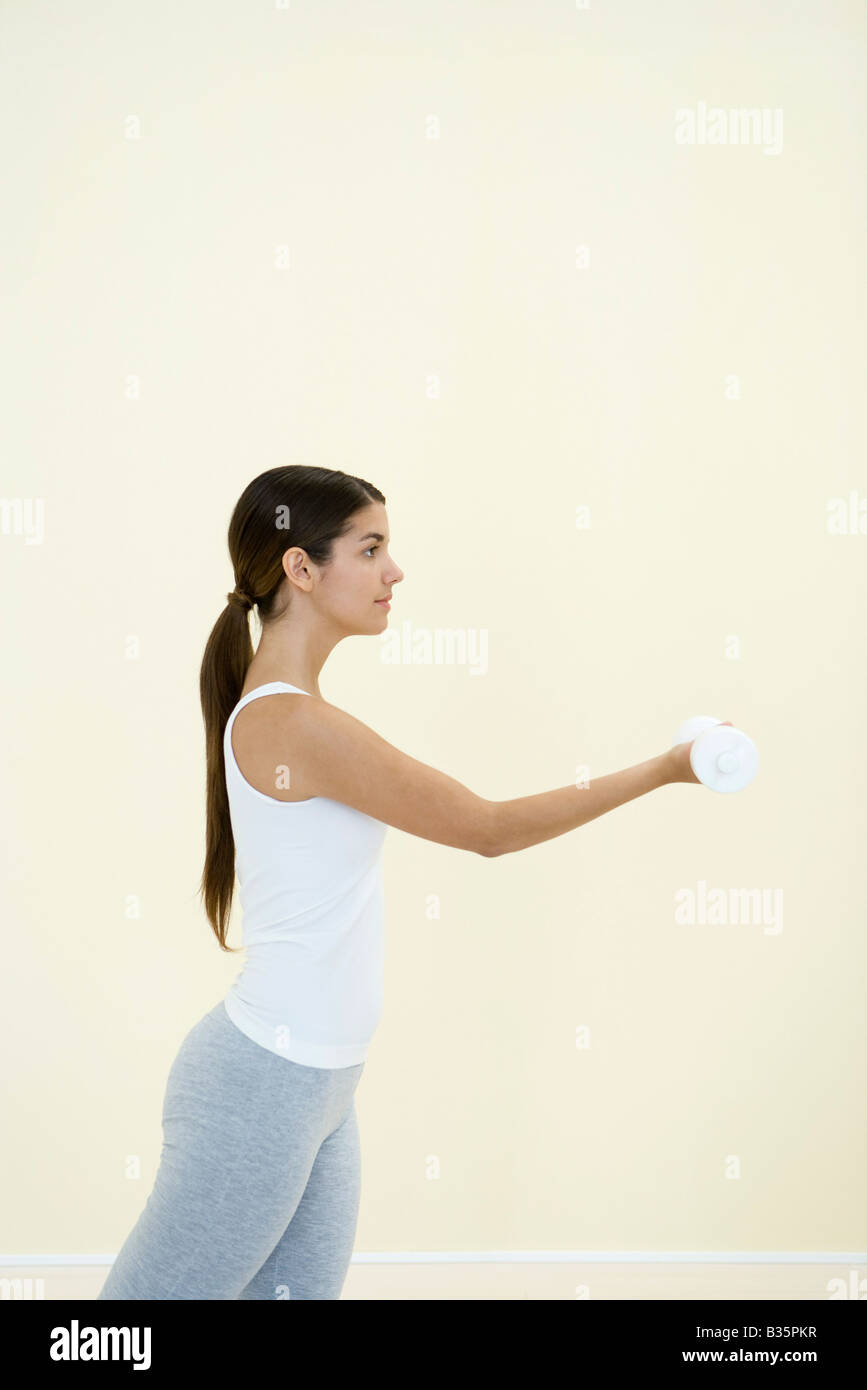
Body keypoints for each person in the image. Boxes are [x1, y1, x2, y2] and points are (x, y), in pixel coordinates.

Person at [97, 463, 713, 1300]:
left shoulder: (291, 714)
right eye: (372, 547)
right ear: (302, 569)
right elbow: (487, 830)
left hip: (321, 1086)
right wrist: (666, 768)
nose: (395, 571)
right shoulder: (293, 722)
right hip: (262, 1085)